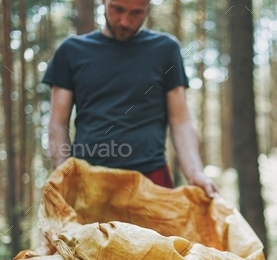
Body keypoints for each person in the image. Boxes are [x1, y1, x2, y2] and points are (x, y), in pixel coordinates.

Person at [42, 0, 218, 197]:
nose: (125, 22)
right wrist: (64, 173)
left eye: (136, 13)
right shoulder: (71, 51)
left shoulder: (165, 50)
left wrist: (195, 173)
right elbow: (57, 123)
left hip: (151, 181)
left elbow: (181, 121)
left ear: (148, 7)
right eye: (117, 9)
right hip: (89, 182)